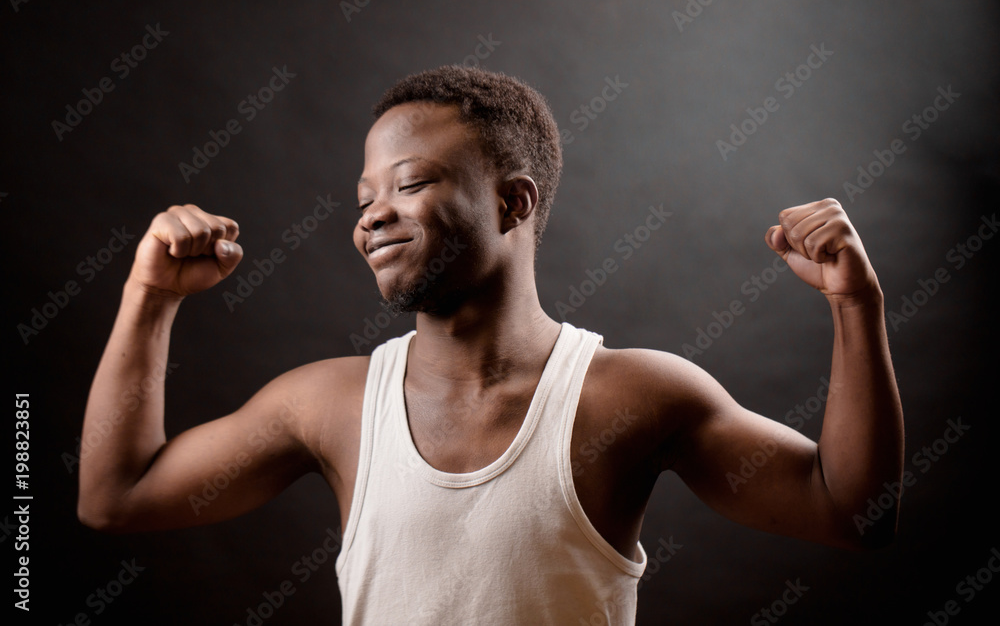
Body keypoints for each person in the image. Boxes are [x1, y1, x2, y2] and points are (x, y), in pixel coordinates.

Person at [78, 65, 904, 625]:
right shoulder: (325, 404)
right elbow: (115, 497)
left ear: (512, 203)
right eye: (365, 196)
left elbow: (850, 512)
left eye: (410, 184)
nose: (371, 215)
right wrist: (148, 296)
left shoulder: (631, 397)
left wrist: (854, 306)